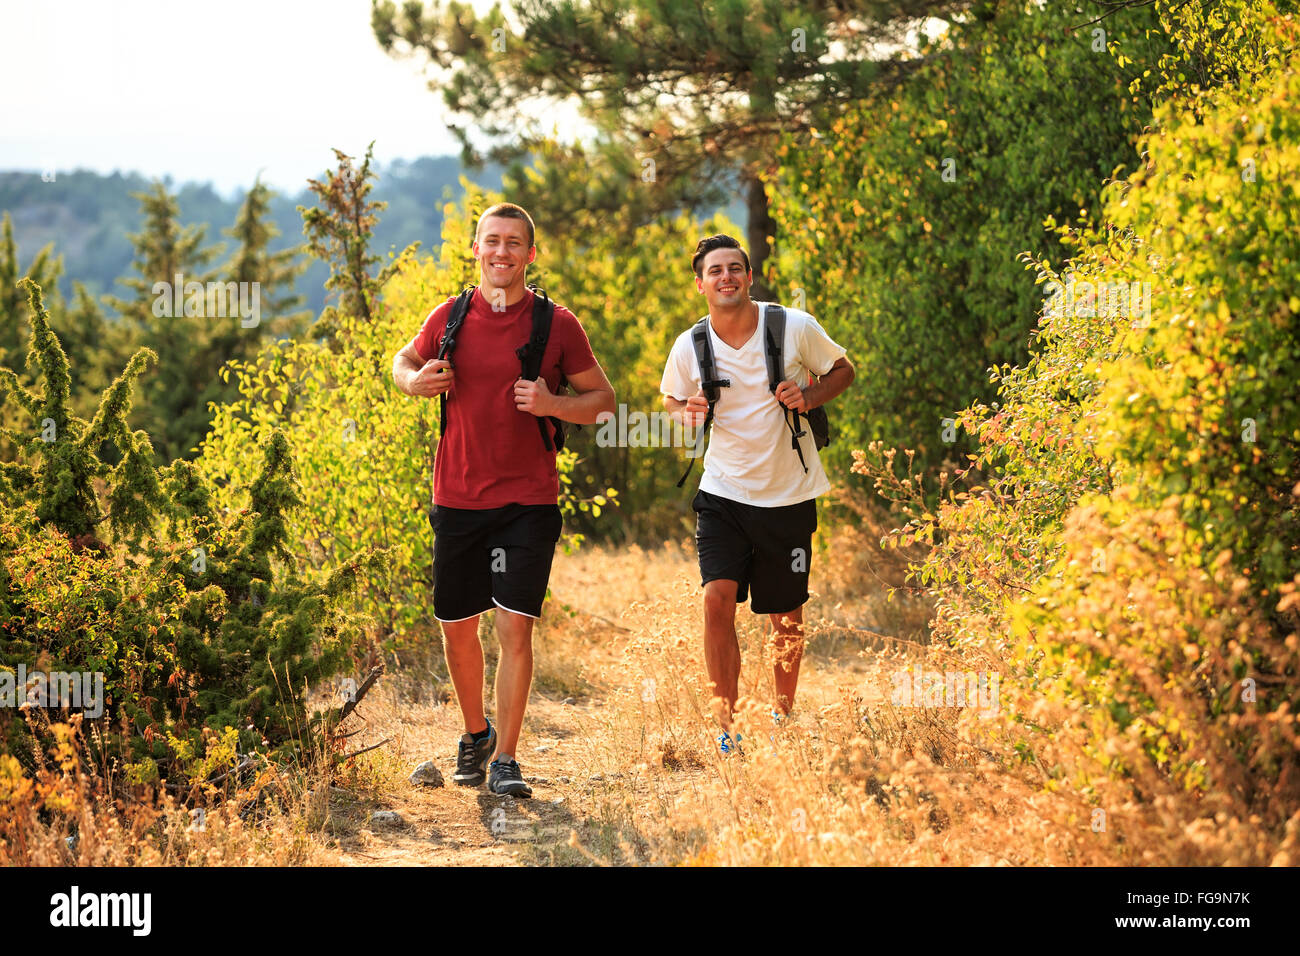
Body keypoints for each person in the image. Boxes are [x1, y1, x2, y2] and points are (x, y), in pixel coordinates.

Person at [392, 202, 616, 796]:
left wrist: (553, 405)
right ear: (476, 249)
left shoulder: (557, 325)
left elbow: (603, 401)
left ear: (530, 254)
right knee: (457, 628)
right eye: (492, 241)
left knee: (516, 630)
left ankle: (507, 761)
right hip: (458, 496)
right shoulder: (451, 316)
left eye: (514, 243)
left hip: (528, 501)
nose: (502, 252)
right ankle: (476, 733)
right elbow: (403, 360)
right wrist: (413, 381)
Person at [660, 234, 854, 754]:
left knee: (784, 616)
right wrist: (689, 411)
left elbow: (844, 369)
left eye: (735, 269)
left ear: (749, 276)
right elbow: (672, 400)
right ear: (700, 284)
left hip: (789, 495)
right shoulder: (691, 344)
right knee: (716, 602)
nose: (726, 277)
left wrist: (809, 394)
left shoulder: (793, 326)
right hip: (722, 494)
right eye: (715, 271)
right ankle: (727, 728)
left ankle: (783, 717)